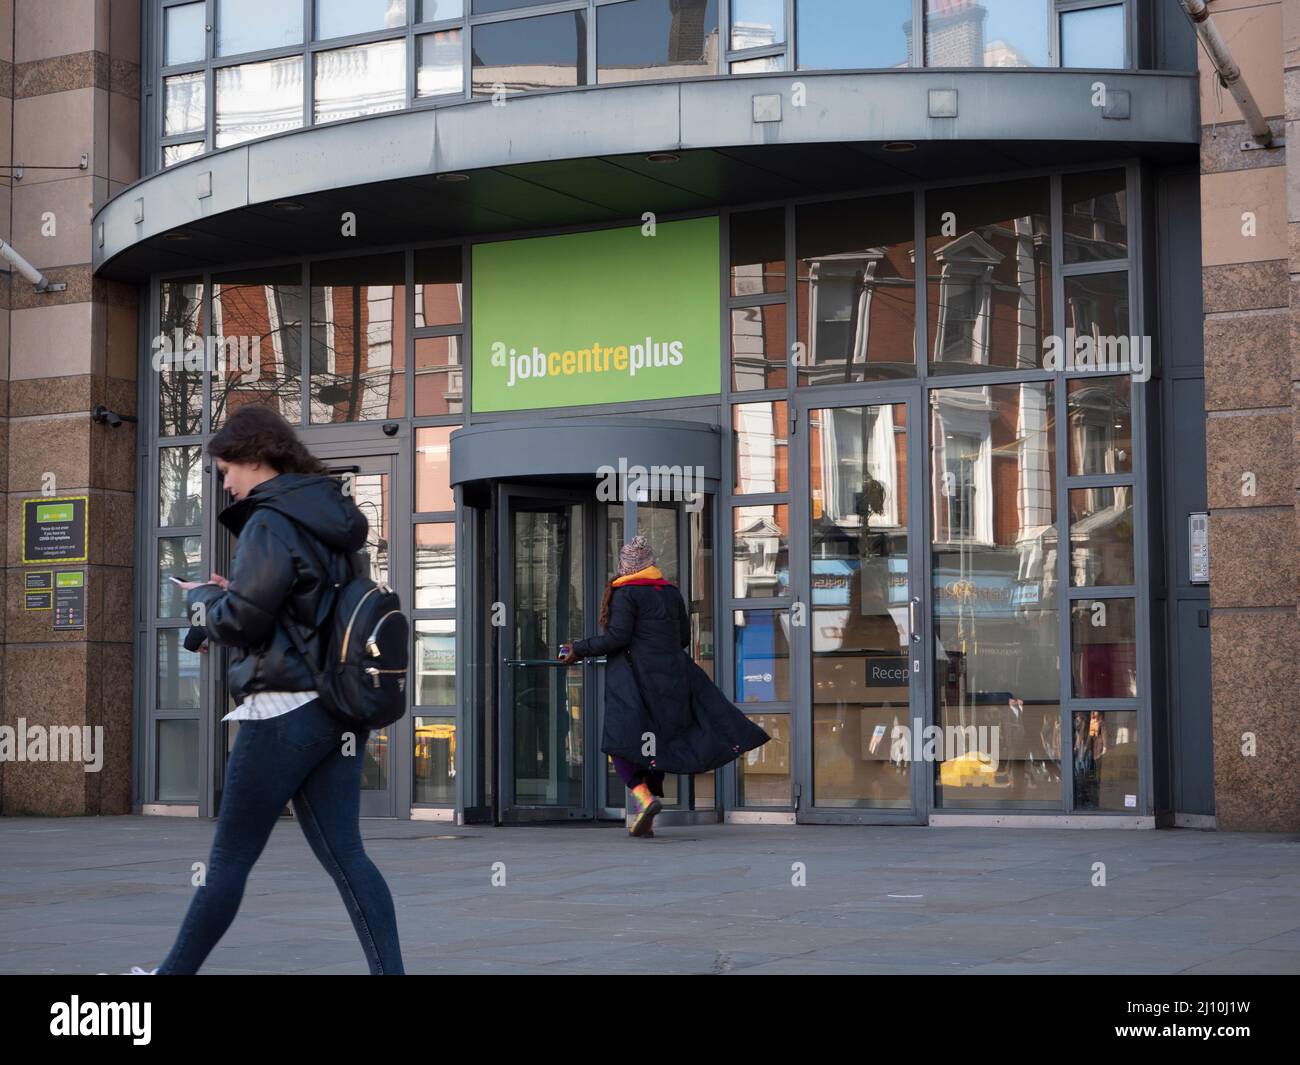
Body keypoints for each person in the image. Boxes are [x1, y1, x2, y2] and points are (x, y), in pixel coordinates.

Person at [127, 404, 405, 975]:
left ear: (256, 458)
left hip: (280, 709)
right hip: (335, 709)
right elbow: (305, 611)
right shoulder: (331, 519)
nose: (225, 483)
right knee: (348, 857)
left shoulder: (269, 522)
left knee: (228, 859)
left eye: (226, 469)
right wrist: (239, 594)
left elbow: (246, 622)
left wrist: (204, 603)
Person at [560, 534, 769, 837]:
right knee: (657, 740)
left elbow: (617, 637)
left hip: (635, 679)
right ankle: (649, 814)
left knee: (619, 741)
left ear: (624, 566)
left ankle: (644, 798)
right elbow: (683, 637)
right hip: (672, 677)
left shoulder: (626, 593)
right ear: (651, 563)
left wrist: (578, 648)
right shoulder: (670, 593)